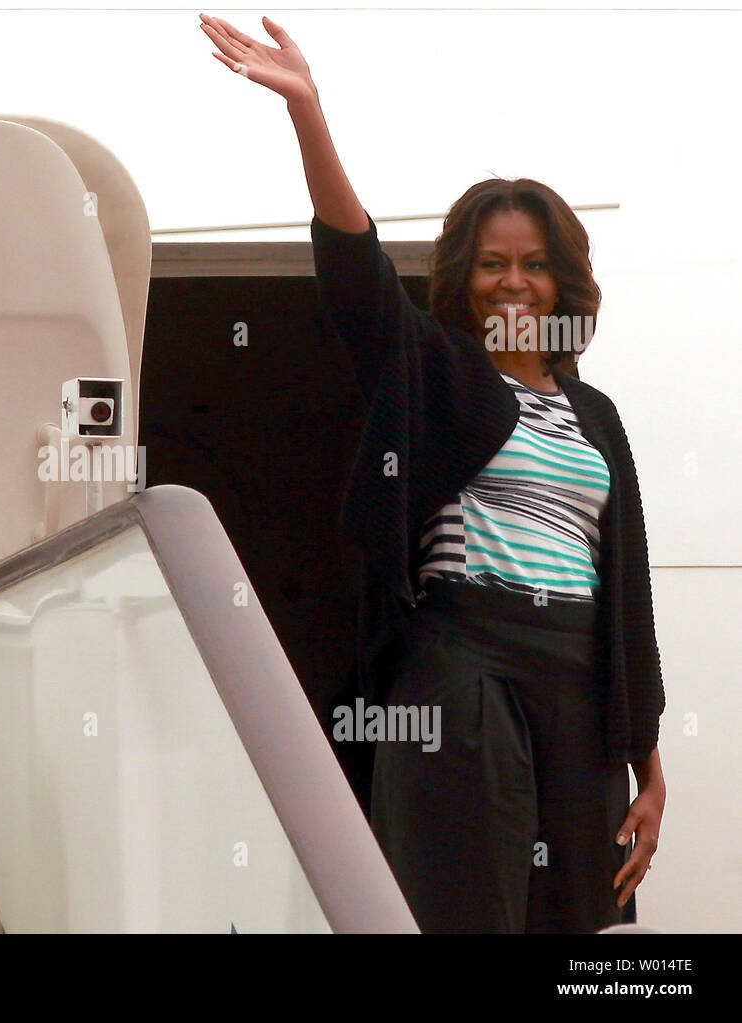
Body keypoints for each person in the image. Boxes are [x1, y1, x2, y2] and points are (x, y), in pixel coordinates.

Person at [199, 12, 666, 933]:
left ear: (563, 281)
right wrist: (309, 112)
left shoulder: (596, 416)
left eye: (534, 265)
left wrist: (646, 756)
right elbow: (354, 267)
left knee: (586, 924)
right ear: (465, 273)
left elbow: (630, 594)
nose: (513, 282)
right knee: (465, 903)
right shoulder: (435, 369)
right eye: (493, 264)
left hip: (579, 674)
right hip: (464, 654)